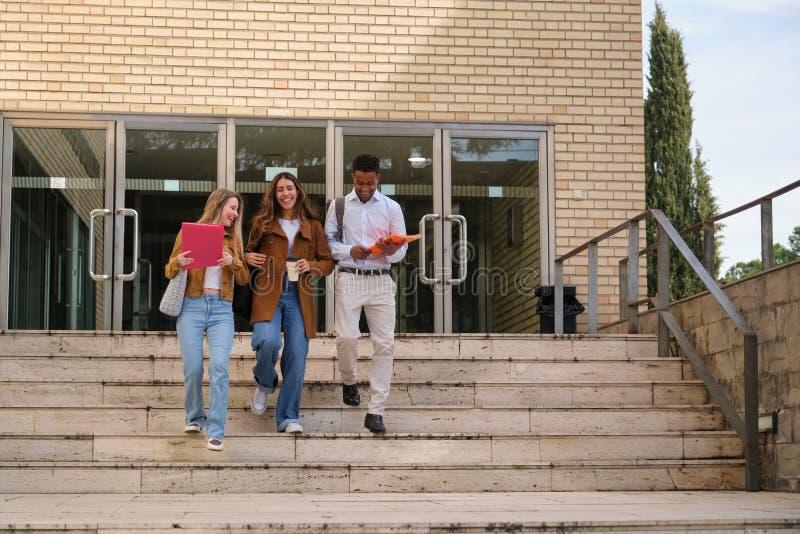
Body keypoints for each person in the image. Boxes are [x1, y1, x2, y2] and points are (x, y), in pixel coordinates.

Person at [324, 153, 407, 433]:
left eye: (370, 183)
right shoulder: (338, 206)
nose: (365, 188)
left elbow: (402, 249)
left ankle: (376, 411)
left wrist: (392, 250)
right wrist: (350, 250)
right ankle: (349, 381)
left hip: (382, 280)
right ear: (353, 177)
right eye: (360, 182)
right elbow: (328, 243)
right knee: (346, 337)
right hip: (349, 277)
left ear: (378, 179)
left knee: (384, 344)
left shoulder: (391, 207)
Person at [245, 172, 334, 433]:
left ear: (298, 192)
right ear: (273, 195)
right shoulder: (262, 223)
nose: (285, 194)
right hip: (267, 290)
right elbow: (245, 251)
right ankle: (265, 382)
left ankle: (288, 418)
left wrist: (313, 265)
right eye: (280, 190)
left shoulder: (313, 226)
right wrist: (249, 257)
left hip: (299, 294)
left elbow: (328, 263)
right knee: (266, 341)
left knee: (296, 356)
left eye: (290, 188)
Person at [165, 188, 249, 452]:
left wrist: (232, 262)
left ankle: (215, 431)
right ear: (218, 205)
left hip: (221, 309)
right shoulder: (190, 232)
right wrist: (179, 261)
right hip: (191, 306)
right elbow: (169, 270)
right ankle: (194, 417)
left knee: (219, 369)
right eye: (232, 208)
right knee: (192, 369)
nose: (235, 215)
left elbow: (245, 278)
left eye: (237, 210)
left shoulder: (234, 240)